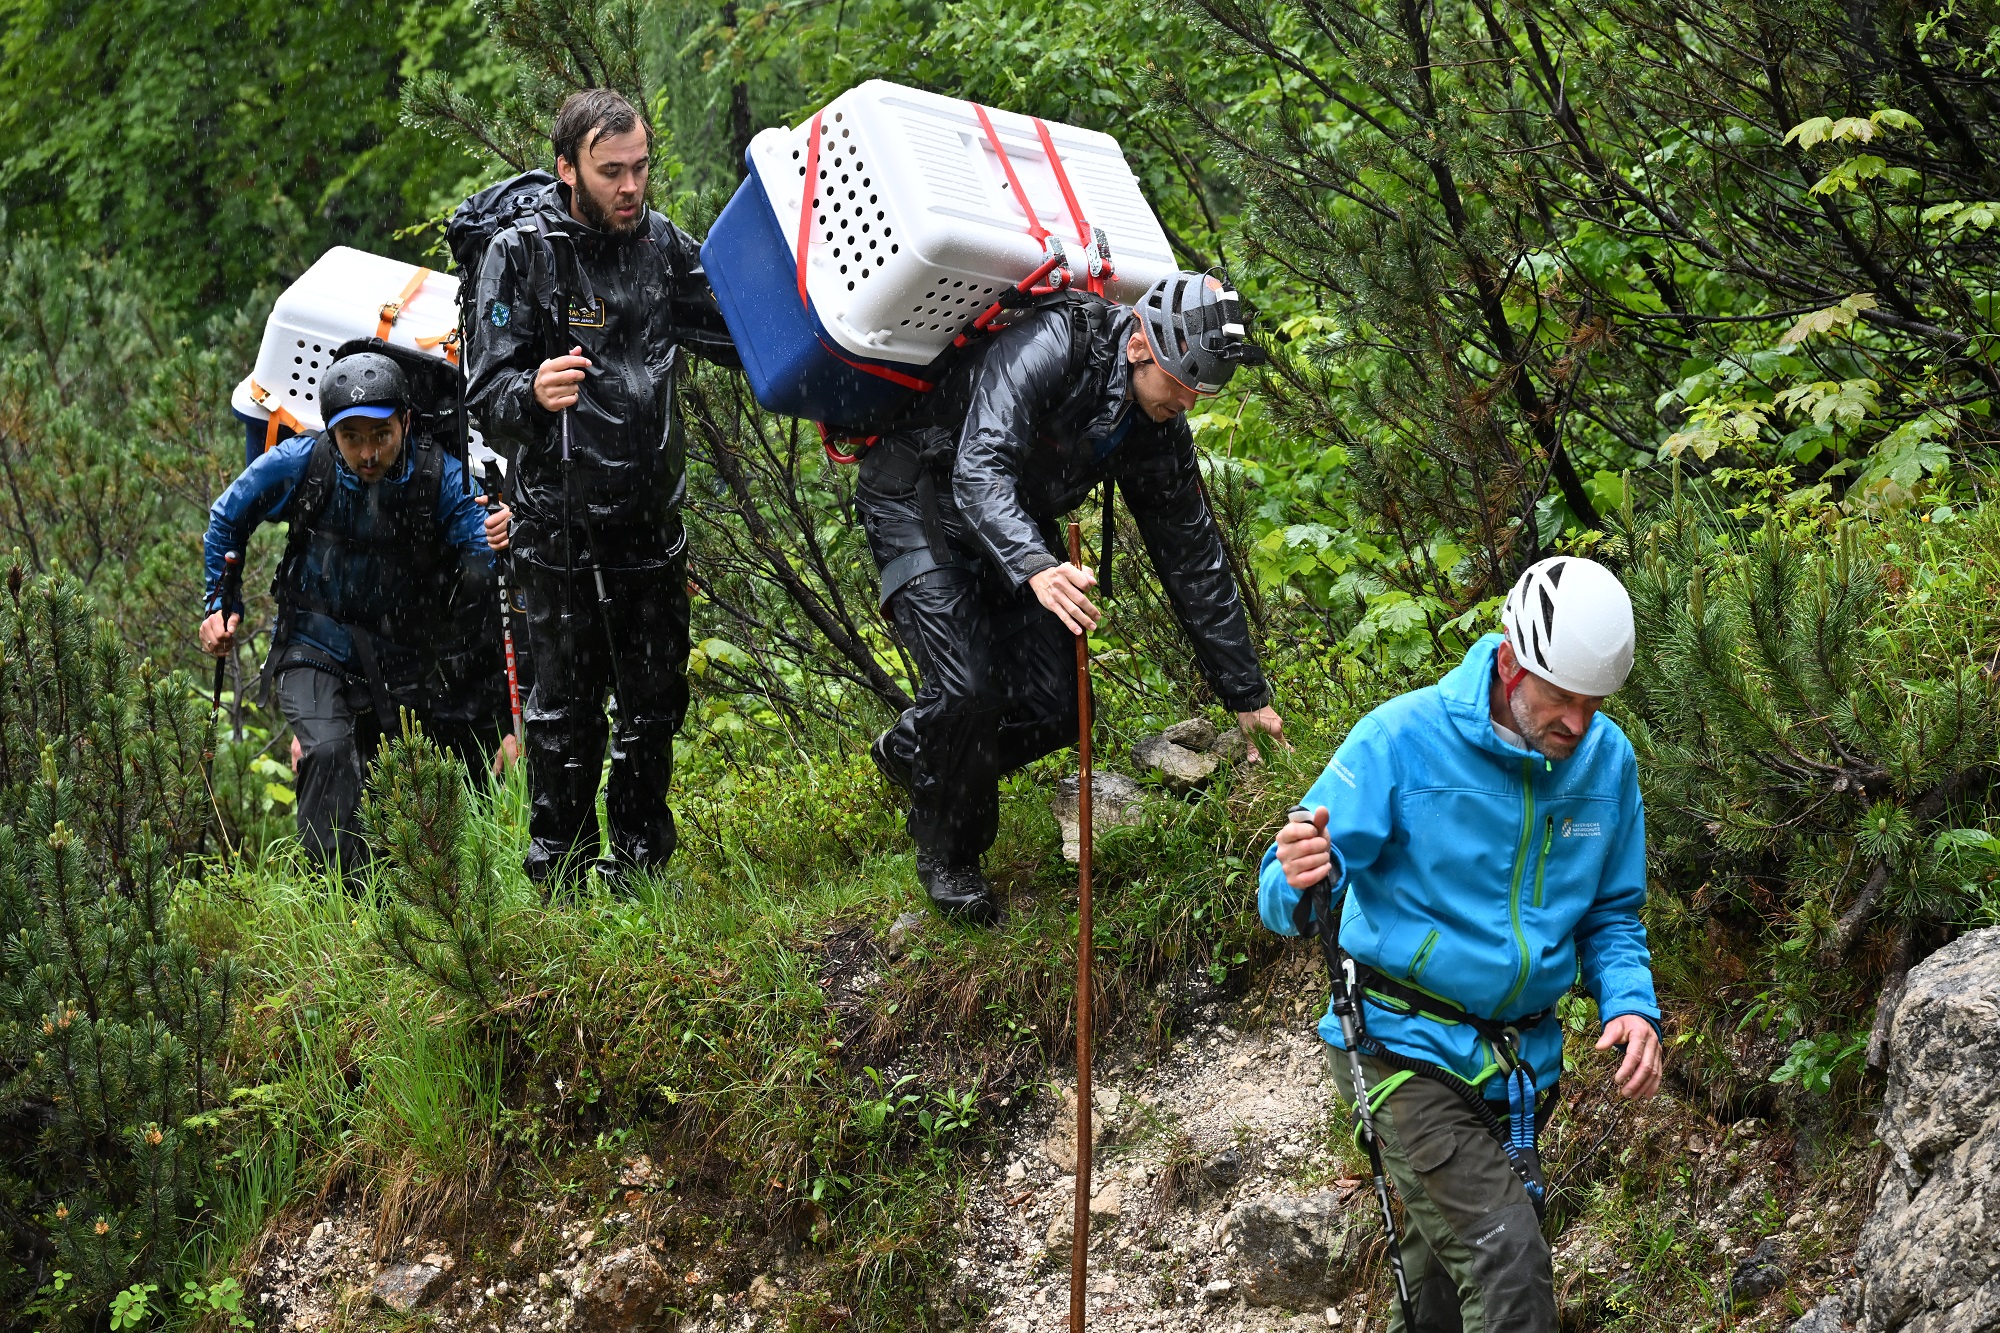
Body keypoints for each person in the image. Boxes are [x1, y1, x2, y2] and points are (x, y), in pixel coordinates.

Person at [1260, 556, 1665, 1331]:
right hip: (1398, 1046)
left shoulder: (1607, 762)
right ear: (1511, 662)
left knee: (1440, 1284)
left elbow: (1612, 912)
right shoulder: (1401, 739)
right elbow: (1286, 893)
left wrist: (1630, 1002)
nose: (1578, 724)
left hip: (1519, 1064)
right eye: (1561, 698)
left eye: (1594, 703)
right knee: (1505, 1261)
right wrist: (1298, 872)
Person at [859, 272, 1283, 924]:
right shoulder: (1055, 342)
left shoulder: (1157, 425)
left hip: (1013, 519)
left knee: (1062, 707)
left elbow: (1193, 559)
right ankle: (951, 860)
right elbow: (981, 463)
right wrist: (1035, 564)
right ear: (1139, 344)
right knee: (967, 692)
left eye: (1199, 393)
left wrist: (1248, 696)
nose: (1186, 404)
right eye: (1180, 384)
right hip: (921, 495)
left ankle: (920, 749)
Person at [465, 88, 738, 889]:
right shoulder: (520, 254)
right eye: (611, 171)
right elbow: (485, 392)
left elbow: (737, 329)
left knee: (655, 701)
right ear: (568, 168)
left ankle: (642, 868)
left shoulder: (663, 245)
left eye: (640, 168)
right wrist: (531, 391)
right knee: (564, 713)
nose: (630, 186)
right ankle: (560, 873)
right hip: (558, 523)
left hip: (650, 518)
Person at [201, 351, 511, 875]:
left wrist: (501, 535)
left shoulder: (440, 478)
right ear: (332, 432)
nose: (368, 453)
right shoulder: (305, 462)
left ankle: (385, 899)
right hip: (311, 642)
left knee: (405, 786)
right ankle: (331, 899)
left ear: (405, 422)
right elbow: (228, 517)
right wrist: (219, 604)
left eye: (381, 435)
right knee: (328, 750)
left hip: (404, 657)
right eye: (351, 438)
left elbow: (484, 562)